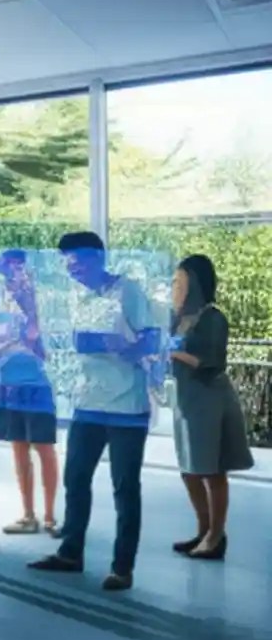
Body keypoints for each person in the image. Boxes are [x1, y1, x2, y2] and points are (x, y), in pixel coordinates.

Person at [29, 232, 161, 591]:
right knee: (75, 479)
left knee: (124, 487)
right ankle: (70, 552)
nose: (73, 270)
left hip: (126, 406)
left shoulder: (128, 291)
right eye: (67, 265)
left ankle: (123, 567)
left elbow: (152, 340)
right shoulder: (81, 297)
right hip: (87, 403)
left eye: (78, 263)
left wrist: (123, 347)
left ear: (97, 258)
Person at [168, 254, 253, 560]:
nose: (175, 286)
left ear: (196, 282)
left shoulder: (212, 317)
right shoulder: (176, 317)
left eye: (180, 281)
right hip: (185, 400)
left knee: (211, 469)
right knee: (189, 469)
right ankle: (203, 531)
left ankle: (216, 536)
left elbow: (213, 362)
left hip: (209, 399)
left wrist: (175, 355)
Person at [0, 250, 59, 537]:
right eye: (8, 272)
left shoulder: (41, 303)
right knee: (18, 448)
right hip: (8, 384)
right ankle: (28, 514)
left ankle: (50, 515)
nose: (14, 277)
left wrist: (31, 312)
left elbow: (39, 345)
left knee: (44, 448)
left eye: (18, 270)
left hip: (37, 385)